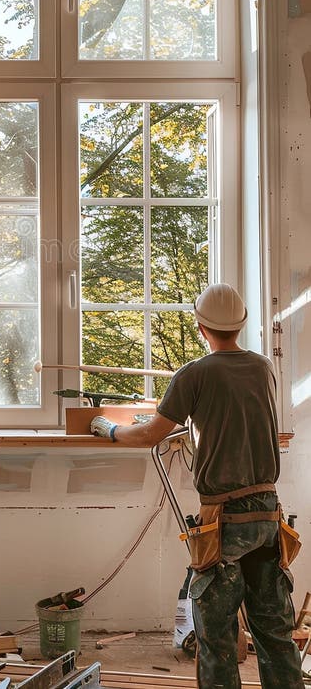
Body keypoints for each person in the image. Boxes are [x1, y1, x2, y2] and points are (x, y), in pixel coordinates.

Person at [90, 283, 304, 689]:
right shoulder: (263, 368)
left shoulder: (193, 374)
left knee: (218, 641)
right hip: (267, 516)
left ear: (201, 327)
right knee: (275, 635)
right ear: (240, 324)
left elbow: (151, 434)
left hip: (223, 520)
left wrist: (111, 430)